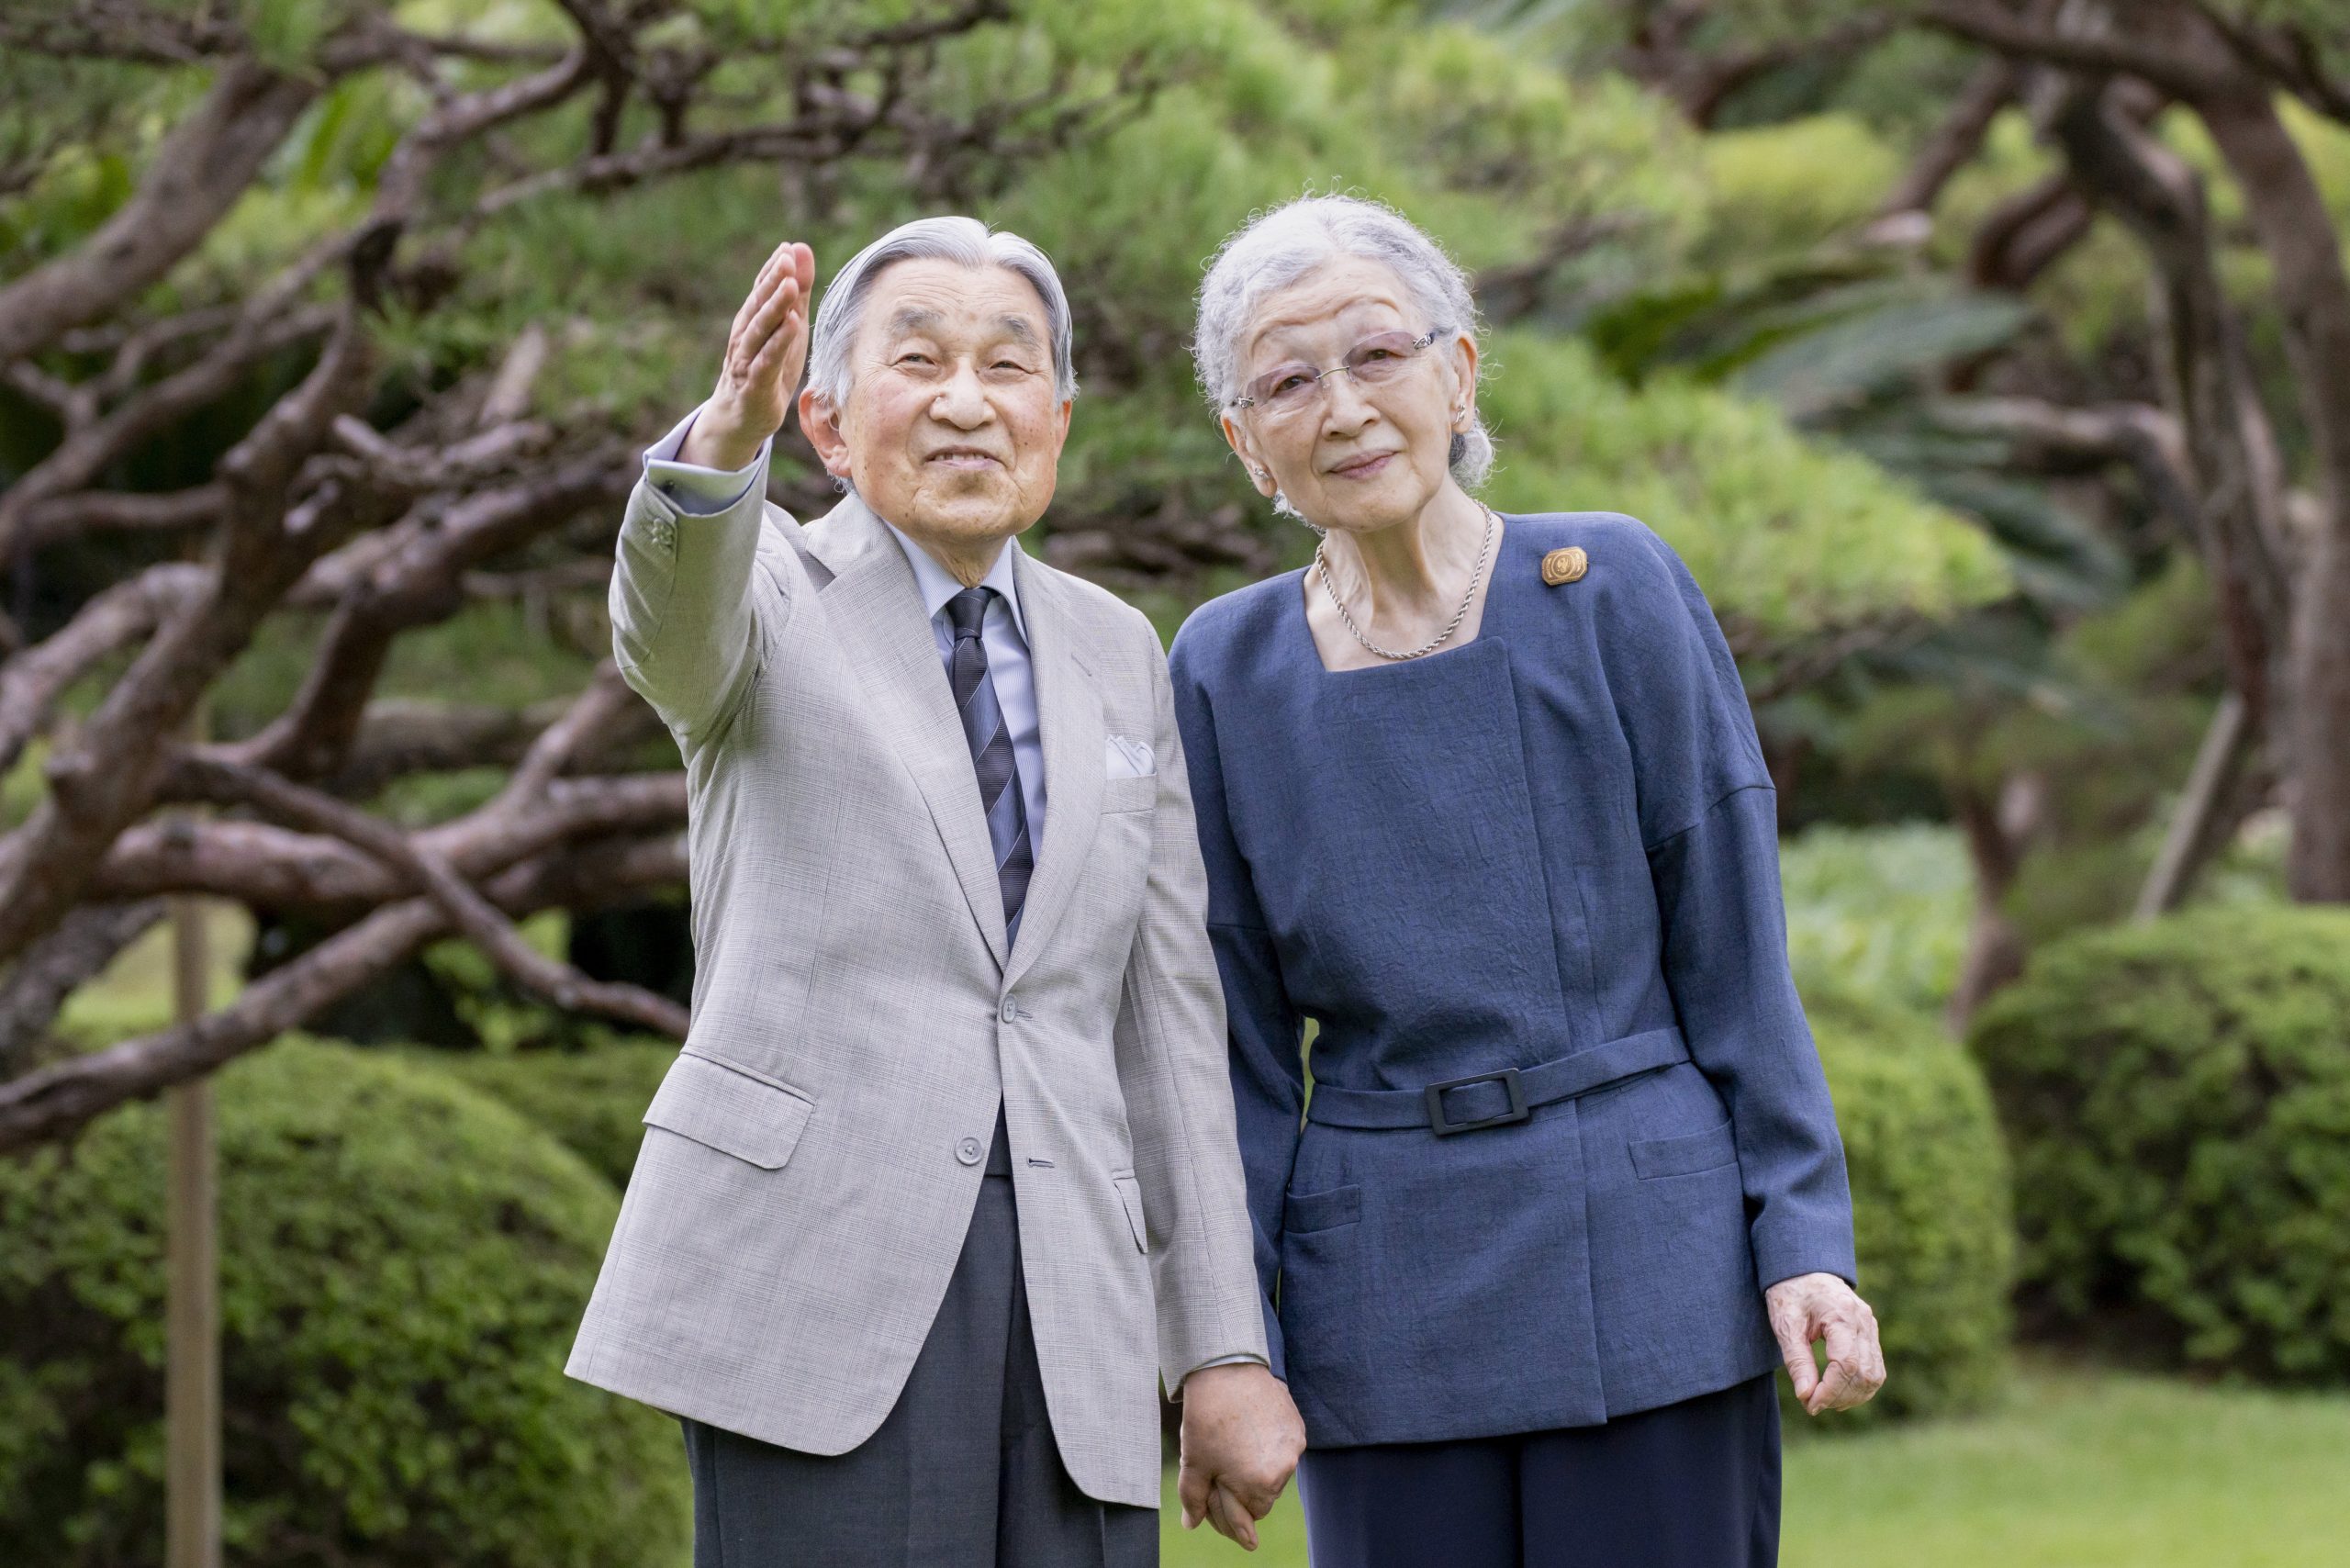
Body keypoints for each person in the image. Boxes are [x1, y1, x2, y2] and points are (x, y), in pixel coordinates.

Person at [567, 217, 1305, 1568]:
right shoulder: (770, 586)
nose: (968, 400)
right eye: (919, 359)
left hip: (1077, 1297)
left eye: (1007, 366)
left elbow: (1167, 1021)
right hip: (814, 1275)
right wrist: (725, 442)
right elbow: (668, 630)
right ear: (832, 425)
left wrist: (1219, 1344)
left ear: (1058, 421)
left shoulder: (1116, 649)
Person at [1166, 195, 1888, 1568]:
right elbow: (1230, 1055)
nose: (1345, 407)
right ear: (1245, 442)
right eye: (1289, 380)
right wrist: (1227, 1344)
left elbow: (1737, 958)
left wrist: (1804, 1241)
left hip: (1648, 1250)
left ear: (1460, 371)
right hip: (1379, 1286)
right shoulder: (1220, 668)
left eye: (1378, 355)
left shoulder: (1609, 586)